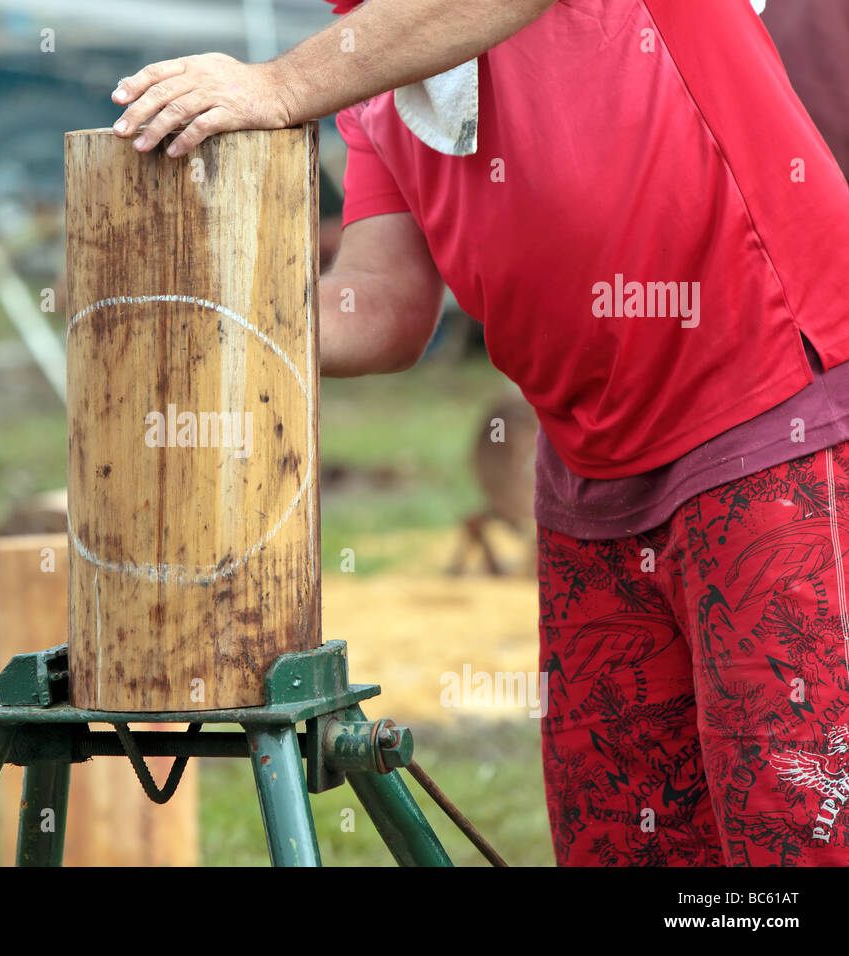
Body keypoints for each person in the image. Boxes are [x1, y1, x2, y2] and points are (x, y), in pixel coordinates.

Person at [110, 0, 849, 866]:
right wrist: (215, 313)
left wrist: (276, 86)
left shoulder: (362, 50)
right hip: (590, 472)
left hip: (776, 418)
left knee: (797, 836)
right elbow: (382, 309)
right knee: (624, 842)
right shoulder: (378, 69)